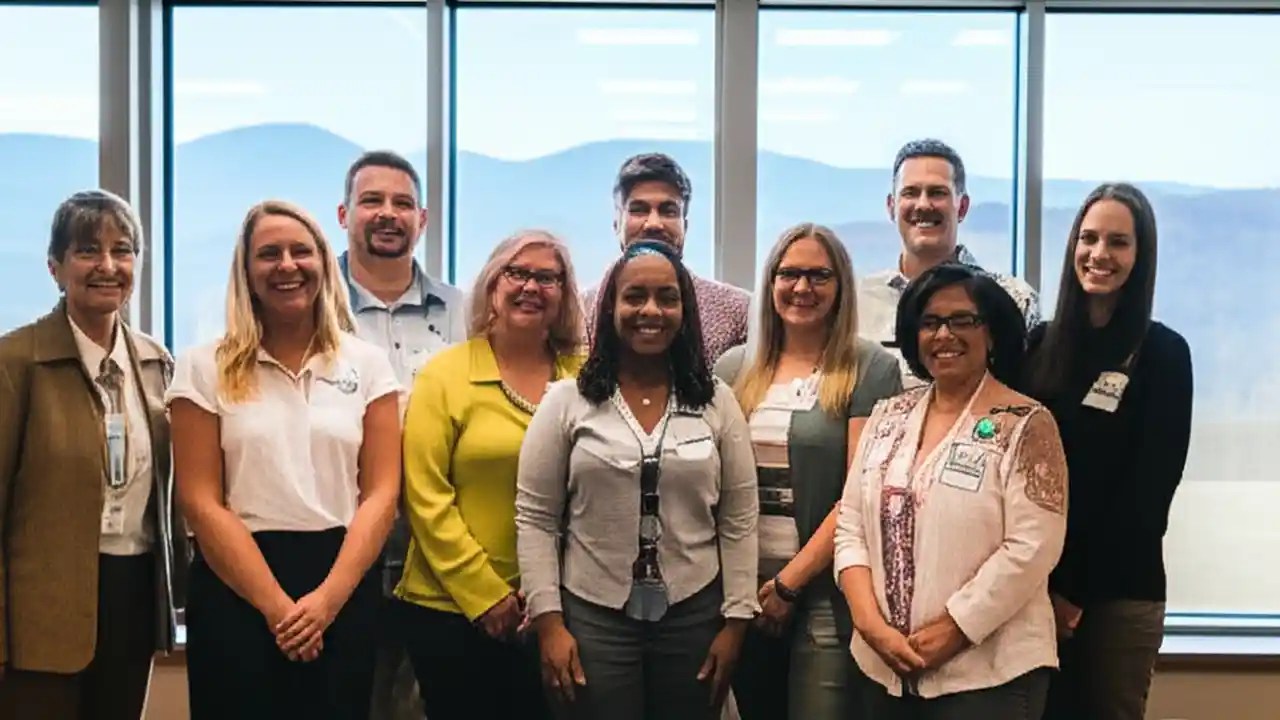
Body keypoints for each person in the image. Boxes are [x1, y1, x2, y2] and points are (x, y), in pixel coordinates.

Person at [168, 200, 401, 719]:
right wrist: (278, 608)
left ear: (323, 261)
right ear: (246, 272)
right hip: (237, 588)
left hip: (341, 584)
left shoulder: (367, 365)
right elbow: (200, 501)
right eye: (268, 254)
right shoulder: (202, 367)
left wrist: (326, 604)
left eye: (301, 251)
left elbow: (382, 493)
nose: (287, 265)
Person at [517, 240, 759, 720]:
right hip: (592, 616)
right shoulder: (568, 401)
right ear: (610, 307)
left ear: (685, 311)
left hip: (695, 615)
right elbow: (536, 518)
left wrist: (736, 622)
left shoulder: (716, 401)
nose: (651, 310)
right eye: (635, 296)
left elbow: (738, 519)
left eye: (667, 298)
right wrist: (549, 623)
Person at [834, 262, 1068, 719]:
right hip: (881, 668)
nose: (945, 334)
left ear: (993, 333)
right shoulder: (887, 416)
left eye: (963, 320)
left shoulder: (1026, 423)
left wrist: (955, 628)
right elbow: (850, 524)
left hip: (987, 674)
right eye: (930, 322)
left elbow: (1032, 546)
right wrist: (868, 623)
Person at [0, 190, 187, 719]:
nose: (108, 266)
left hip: (133, 596)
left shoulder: (155, 363)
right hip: (38, 613)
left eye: (122, 250)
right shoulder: (17, 361)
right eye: (88, 251)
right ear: (56, 268)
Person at [713, 222, 902, 719]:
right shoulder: (733, 369)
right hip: (741, 592)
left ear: (841, 286)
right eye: (789, 273)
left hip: (823, 593)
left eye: (819, 275)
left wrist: (789, 584)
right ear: (770, 280)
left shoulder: (869, 367)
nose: (802, 288)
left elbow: (859, 492)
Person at [395, 229, 585, 720]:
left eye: (547, 277)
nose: (530, 286)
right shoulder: (445, 375)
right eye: (516, 273)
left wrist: (545, 603)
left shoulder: (585, 380)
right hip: (451, 609)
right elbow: (424, 496)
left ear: (565, 293)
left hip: (561, 612)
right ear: (491, 284)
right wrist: (485, 594)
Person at [1026, 184, 1192, 720]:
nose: (1099, 254)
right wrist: (1042, 588)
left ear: (1141, 257)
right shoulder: (1037, 347)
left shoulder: (1163, 353)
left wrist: (1069, 592)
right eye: (1089, 237)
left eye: (1118, 242)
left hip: (1119, 593)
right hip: (1032, 591)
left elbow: (1147, 499)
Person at [336, 149, 465, 720]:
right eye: (372, 201)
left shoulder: (465, 312)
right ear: (344, 215)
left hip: (437, 555)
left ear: (423, 219)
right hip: (337, 552)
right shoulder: (309, 306)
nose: (387, 214)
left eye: (402, 203)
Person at [859, 139, 1039, 388]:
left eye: (937, 193)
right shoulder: (857, 304)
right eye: (910, 192)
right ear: (892, 207)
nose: (923, 204)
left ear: (962, 207)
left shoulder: (1014, 300)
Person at [583, 152, 749, 365]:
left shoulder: (737, 313)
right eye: (639, 210)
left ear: (685, 226)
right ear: (617, 224)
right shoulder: (580, 312)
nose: (653, 223)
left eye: (668, 211)